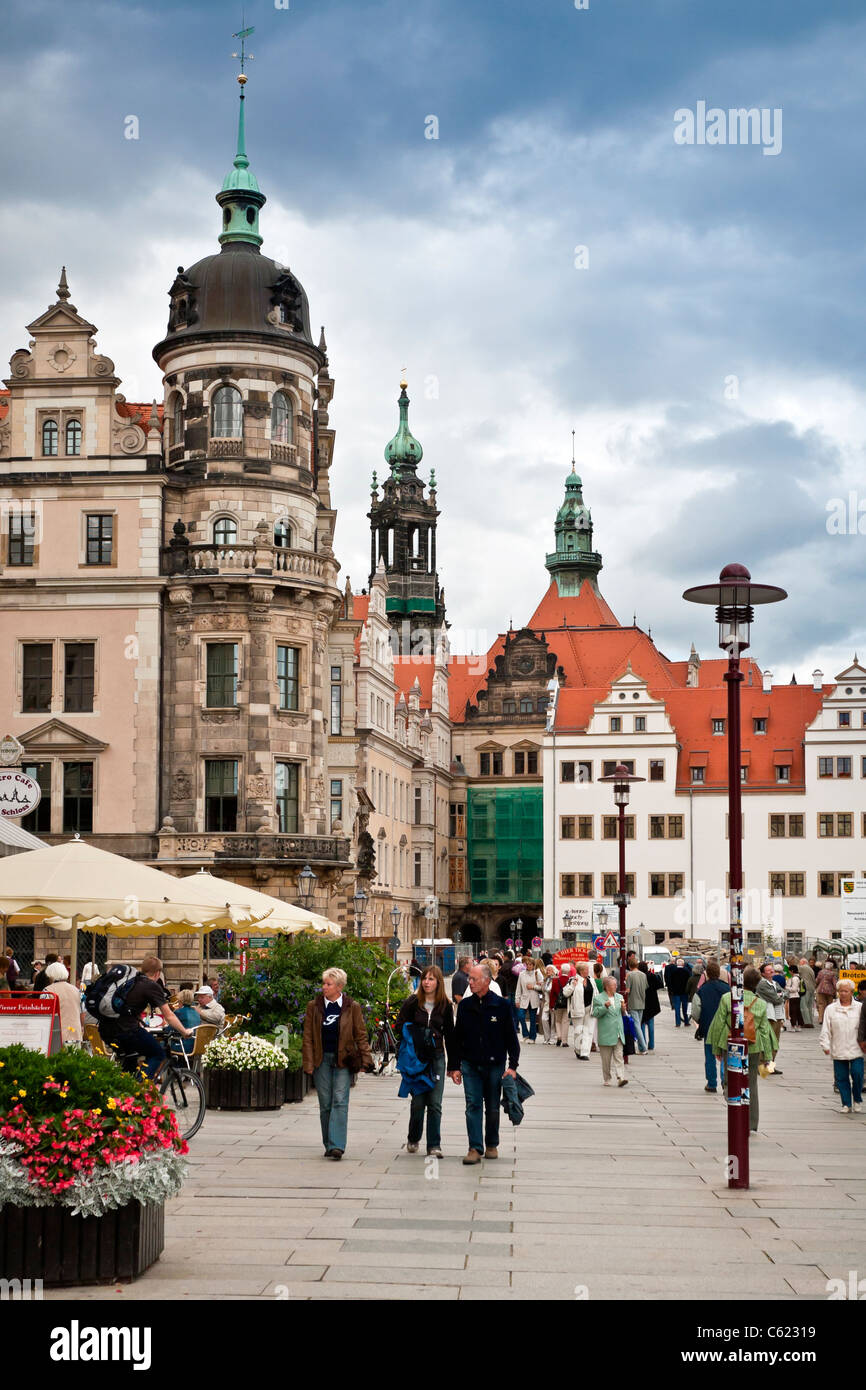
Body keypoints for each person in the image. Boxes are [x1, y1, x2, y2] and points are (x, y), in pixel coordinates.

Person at [450, 962, 520, 1164]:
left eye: (473, 979)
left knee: (492, 1106)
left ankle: (491, 1143)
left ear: (487, 981)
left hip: (494, 1064)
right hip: (470, 1064)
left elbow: (511, 1038)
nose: (469, 982)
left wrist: (513, 1066)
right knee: (472, 1105)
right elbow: (457, 1038)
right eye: (469, 978)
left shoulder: (502, 1005)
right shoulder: (465, 1006)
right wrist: (454, 1066)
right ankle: (474, 1147)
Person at [302, 967, 373, 1159]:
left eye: (328, 984)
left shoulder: (352, 1006)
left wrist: (367, 1059)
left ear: (339, 986)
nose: (324, 987)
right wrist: (308, 1062)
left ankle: (337, 1145)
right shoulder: (314, 1006)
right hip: (321, 1059)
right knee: (325, 1104)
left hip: (344, 1060)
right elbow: (308, 1036)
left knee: (340, 1101)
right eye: (324, 983)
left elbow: (361, 1034)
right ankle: (328, 1142)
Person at [706, 965, 777, 1134]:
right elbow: (765, 1030)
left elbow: (718, 1024)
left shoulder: (727, 998)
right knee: (751, 1082)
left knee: (730, 1079)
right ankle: (751, 1120)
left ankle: (736, 1110)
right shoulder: (760, 1003)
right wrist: (768, 1056)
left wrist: (715, 1048)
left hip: (731, 1045)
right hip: (753, 1046)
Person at [98, 955, 194, 1079]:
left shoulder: (131, 981)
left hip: (106, 1029)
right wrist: (184, 1031)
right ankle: (140, 1091)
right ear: (158, 973)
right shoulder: (151, 985)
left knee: (130, 1062)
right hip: (126, 1031)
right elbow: (169, 1015)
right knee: (157, 1053)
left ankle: (125, 1093)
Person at [395, 965, 455, 1157]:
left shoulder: (445, 1005)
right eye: (425, 979)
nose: (427, 982)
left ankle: (434, 1144)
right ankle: (413, 1137)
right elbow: (399, 1026)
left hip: (436, 1057)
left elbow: (451, 1036)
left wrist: (454, 1065)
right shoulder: (413, 1002)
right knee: (418, 1103)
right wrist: (414, 1036)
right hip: (416, 1059)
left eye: (431, 979)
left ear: (438, 982)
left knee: (435, 1104)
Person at [821, 979, 863, 1114]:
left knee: (857, 1074)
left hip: (856, 1047)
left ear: (852, 992)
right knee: (841, 1077)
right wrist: (825, 1045)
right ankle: (846, 1103)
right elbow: (826, 1029)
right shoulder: (831, 1009)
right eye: (840, 991)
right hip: (838, 1047)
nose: (843, 994)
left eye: (846, 991)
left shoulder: (860, 1008)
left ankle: (857, 1098)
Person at [693, 960, 730, 1092]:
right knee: (724, 1055)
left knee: (709, 1056)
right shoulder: (727, 988)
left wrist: (699, 1021)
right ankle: (725, 1081)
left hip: (708, 1026)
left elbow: (695, 1010)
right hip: (725, 1028)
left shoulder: (702, 990)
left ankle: (711, 1083)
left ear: (707, 974)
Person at [591, 973, 628, 1086]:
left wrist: (623, 1009)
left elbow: (623, 1014)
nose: (616, 987)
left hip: (618, 1032)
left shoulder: (619, 997)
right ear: (607, 987)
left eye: (616, 985)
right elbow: (595, 1013)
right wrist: (604, 1007)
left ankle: (621, 1077)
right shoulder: (598, 998)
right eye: (613, 985)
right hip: (606, 1033)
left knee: (619, 1056)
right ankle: (607, 1078)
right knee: (606, 1060)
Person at [43, 961, 83, 1044]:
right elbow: (82, 1012)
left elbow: (44, 1015)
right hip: (75, 1033)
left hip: (56, 1034)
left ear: (51, 975)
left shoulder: (47, 991)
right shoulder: (77, 990)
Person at [757, 963, 786, 1068]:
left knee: (775, 1042)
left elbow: (785, 993)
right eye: (768, 970)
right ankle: (762, 1065)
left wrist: (781, 995)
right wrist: (781, 996)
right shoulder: (762, 984)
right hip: (769, 1016)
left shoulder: (774, 983)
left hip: (778, 1016)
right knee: (767, 1041)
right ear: (763, 973)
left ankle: (770, 1066)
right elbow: (776, 998)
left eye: (772, 969)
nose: (772, 971)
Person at [564, 961, 594, 1060]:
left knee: (588, 1032)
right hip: (577, 1009)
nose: (588, 971)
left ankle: (585, 1053)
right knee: (578, 1032)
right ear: (581, 971)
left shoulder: (591, 980)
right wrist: (573, 985)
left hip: (590, 1009)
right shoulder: (573, 980)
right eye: (586, 969)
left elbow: (596, 994)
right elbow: (565, 993)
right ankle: (578, 1050)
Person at [514, 956, 543, 1042]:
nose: (529, 966)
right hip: (524, 998)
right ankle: (525, 1034)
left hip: (534, 998)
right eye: (527, 964)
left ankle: (532, 1037)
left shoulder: (537, 973)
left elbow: (542, 987)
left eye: (530, 964)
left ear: (534, 965)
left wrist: (533, 987)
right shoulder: (521, 974)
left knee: (533, 1019)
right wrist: (517, 1000)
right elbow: (518, 988)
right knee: (521, 1016)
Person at [624, 959, 649, 1054]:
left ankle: (643, 1046)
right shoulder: (643, 975)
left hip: (633, 1002)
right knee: (639, 1024)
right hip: (642, 1001)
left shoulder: (630, 975)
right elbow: (646, 986)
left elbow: (628, 990)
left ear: (629, 966)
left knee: (637, 1025)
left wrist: (625, 983)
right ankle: (641, 1048)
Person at [169, 989, 201, 1055]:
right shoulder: (196, 1012)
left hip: (183, 1045)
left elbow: (168, 1030)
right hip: (195, 1045)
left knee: (159, 1045)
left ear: (180, 1000)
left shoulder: (178, 1012)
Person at [639, 960, 662, 1052]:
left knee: (642, 1024)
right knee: (651, 1025)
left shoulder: (639, 977)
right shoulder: (652, 976)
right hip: (652, 1002)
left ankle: (643, 1042)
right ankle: (651, 1044)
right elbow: (659, 985)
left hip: (642, 1002)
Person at [549, 963, 573, 1046]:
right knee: (565, 1022)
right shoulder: (571, 981)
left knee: (558, 1021)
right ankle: (565, 1041)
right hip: (567, 1004)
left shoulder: (555, 980)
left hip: (557, 1004)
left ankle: (559, 1036)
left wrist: (551, 1005)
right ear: (569, 972)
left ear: (561, 971)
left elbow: (552, 994)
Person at [665, 957, 692, 1026]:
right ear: (683, 964)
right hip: (684, 992)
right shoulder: (686, 971)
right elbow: (689, 981)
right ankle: (686, 1021)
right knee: (685, 1007)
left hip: (676, 992)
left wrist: (671, 990)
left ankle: (678, 1023)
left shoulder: (673, 971)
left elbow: (670, 981)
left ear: (676, 964)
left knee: (677, 1008)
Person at [798, 957, 816, 1028]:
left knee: (803, 1005)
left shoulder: (803, 967)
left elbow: (794, 970)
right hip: (811, 988)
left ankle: (806, 1022)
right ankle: (810, 1021)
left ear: (803, 962)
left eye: (800, 962)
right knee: (809, 1006)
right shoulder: (810, 969)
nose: (799, 964)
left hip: (805, 988)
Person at [785, 964, 802, 1031]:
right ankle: (798, 1025)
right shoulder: (798, 977)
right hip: (797, 996)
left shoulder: (794, 978)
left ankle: (793, 1025)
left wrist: (787, 987)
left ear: (792, 971)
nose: (789, 972)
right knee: (797, 1011)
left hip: (793, 997)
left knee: (793, 1012)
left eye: (789, 971)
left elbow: (794, 989)